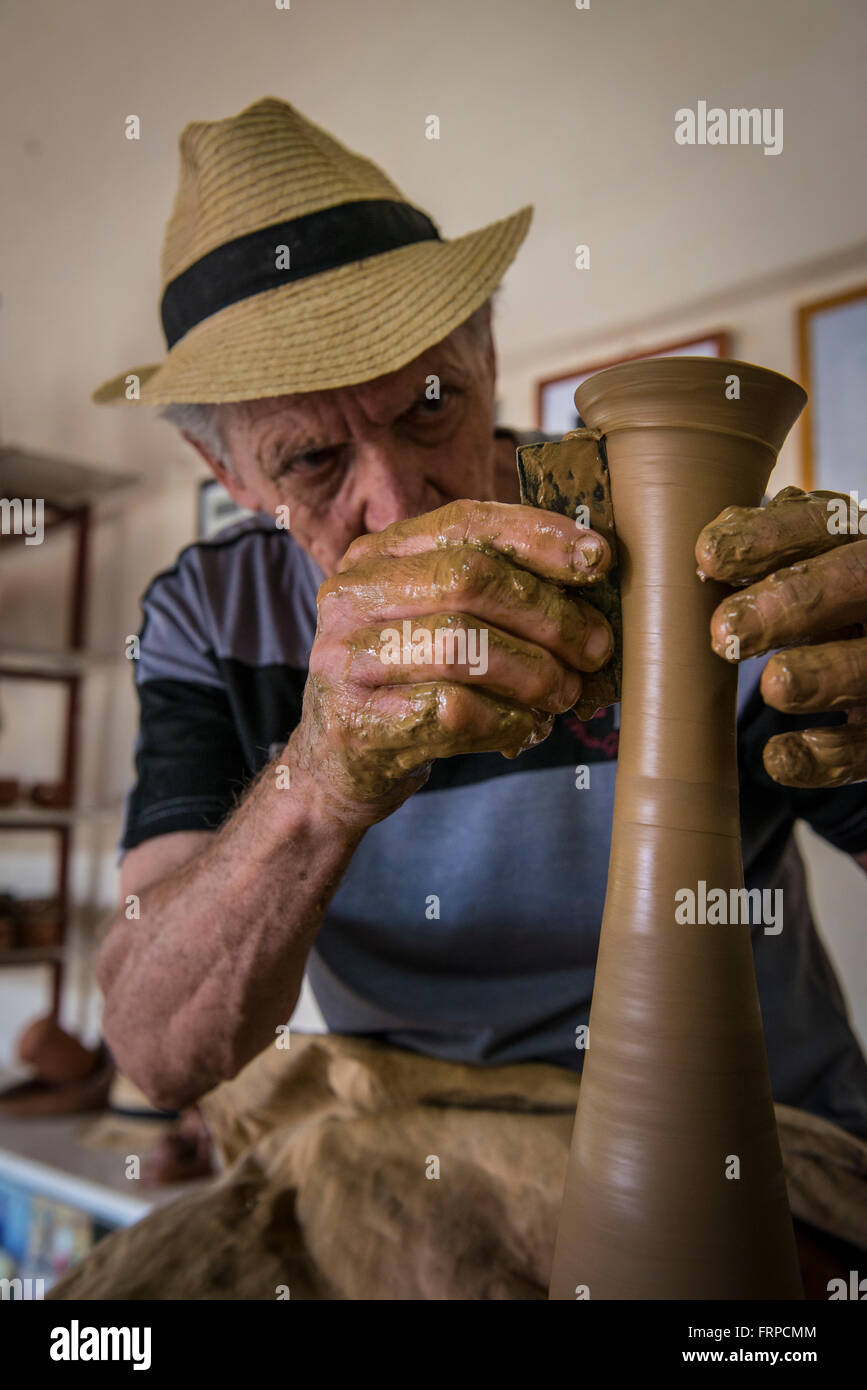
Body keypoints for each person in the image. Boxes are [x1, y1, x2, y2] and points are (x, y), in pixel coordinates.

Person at [93, 97, 867, 1148]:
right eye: (313, 459)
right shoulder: (204, 614)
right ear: (223, 471)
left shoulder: (677, 531)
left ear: (487, 349)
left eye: (428, 405)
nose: (400, 504)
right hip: (413, 1149)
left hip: (748, 1131)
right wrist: (319, 783)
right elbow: (155, 1045)